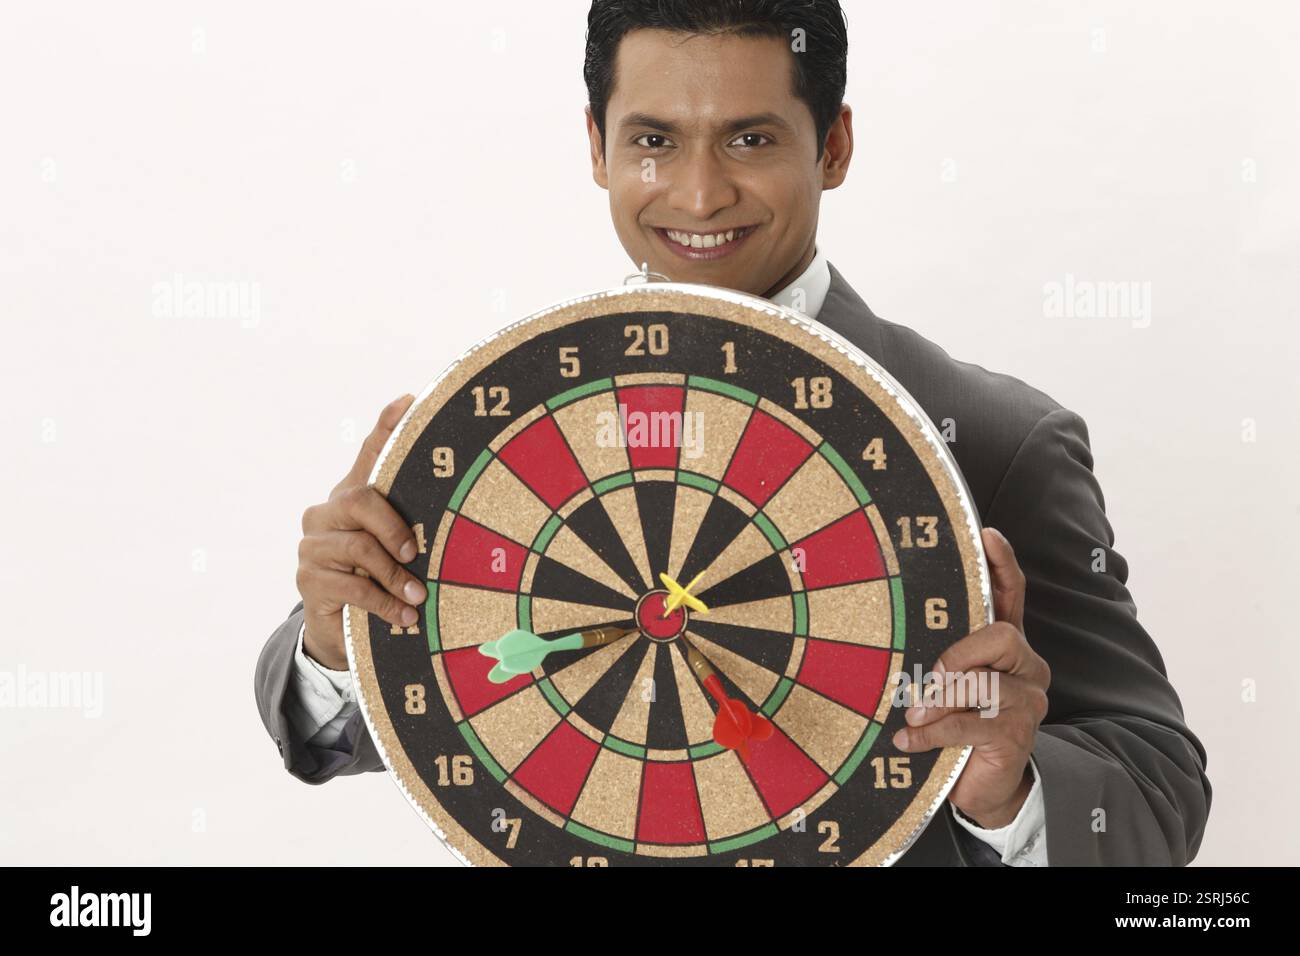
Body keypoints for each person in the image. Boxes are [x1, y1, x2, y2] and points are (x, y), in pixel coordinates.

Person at [254, 0, 1211, 867]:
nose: (700, 195)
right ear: (596, 147)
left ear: (833, 146)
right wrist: (338, 648)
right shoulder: (496, 431)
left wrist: (1010, 789)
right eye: (655, 141)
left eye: (749, 138)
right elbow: (427, 729)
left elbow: (1160, 800)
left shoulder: (1001, 442)